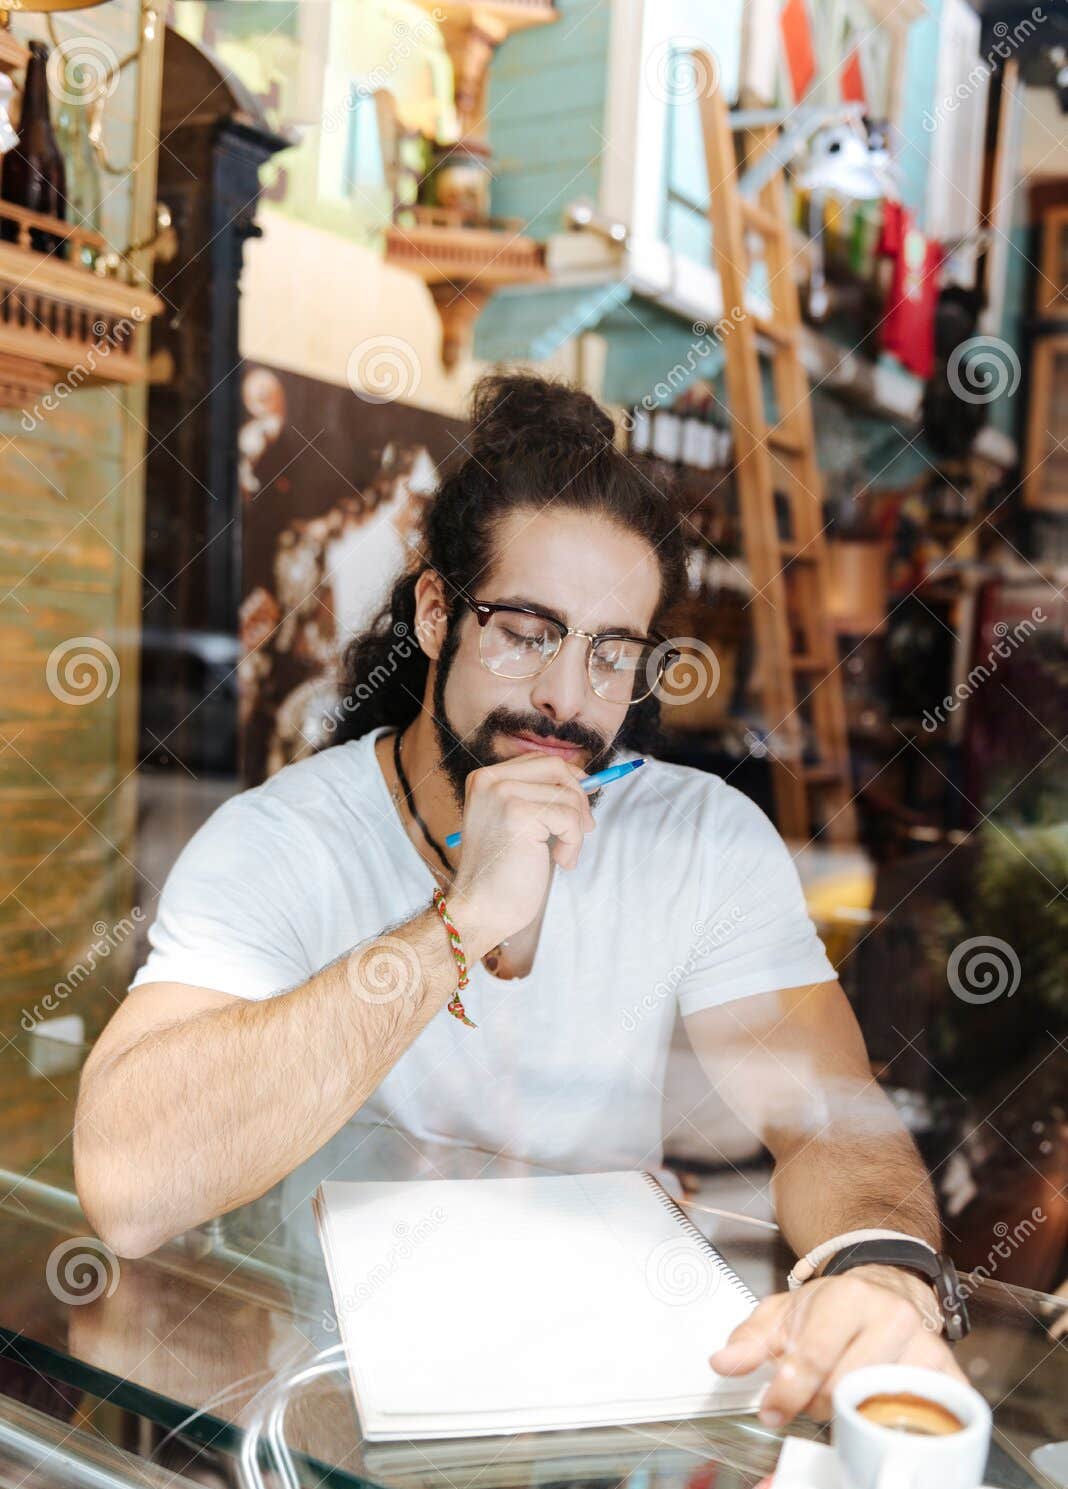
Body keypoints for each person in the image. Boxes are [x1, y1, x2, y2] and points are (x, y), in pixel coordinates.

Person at [75, 373, 964, 1424]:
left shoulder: (702, 841)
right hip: (327, 1402)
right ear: (437, 609)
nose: (566, 697)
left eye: (610, 652)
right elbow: (129, 1188)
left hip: (594, 1408)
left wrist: (878, 1271)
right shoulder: (284, 841)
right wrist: (460, 923)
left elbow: (828, 1122)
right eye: (527, 630)